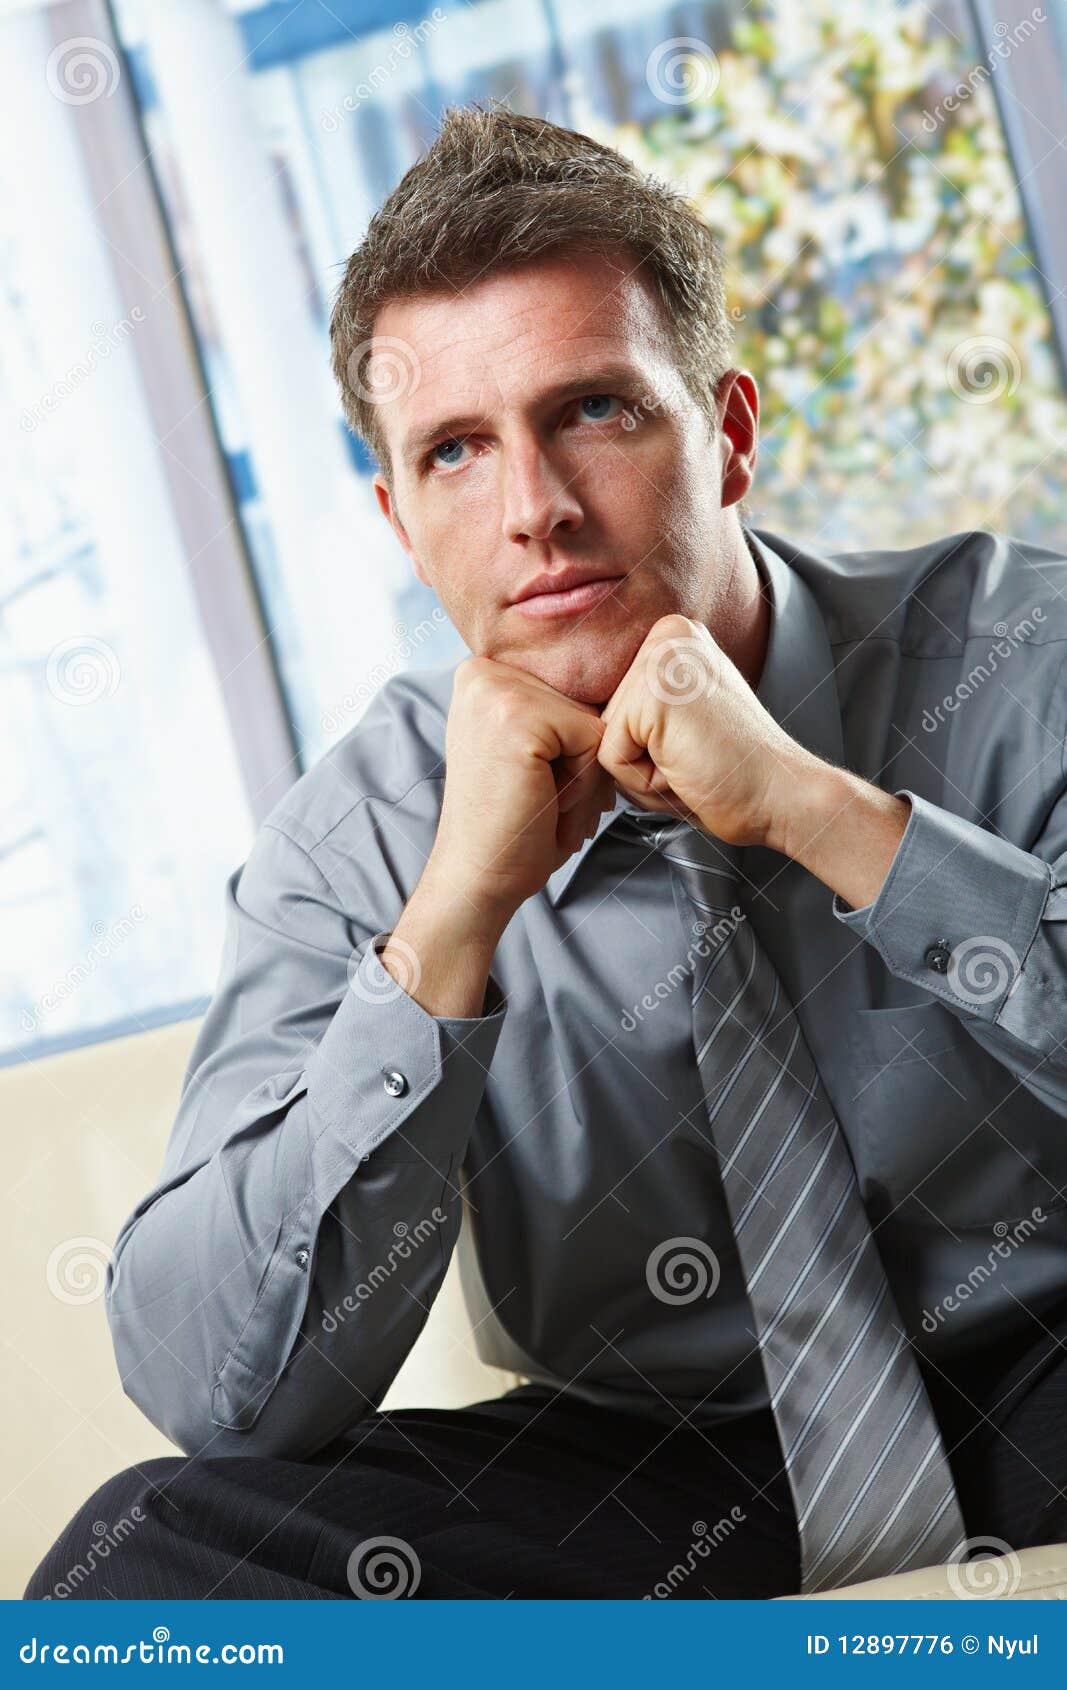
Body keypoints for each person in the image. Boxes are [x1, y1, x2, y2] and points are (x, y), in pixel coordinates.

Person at [27, 106, 1067, 1602]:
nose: (538, 511)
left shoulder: (1020, 655)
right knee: (145, 1577)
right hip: (645, 1461)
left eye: (592, 409)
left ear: (728, 433)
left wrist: (822, 816)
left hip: (1034, 1360)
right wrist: (447, 926)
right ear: (401, 520)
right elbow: (214, 1388)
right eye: (457, 450)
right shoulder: (365, 835)